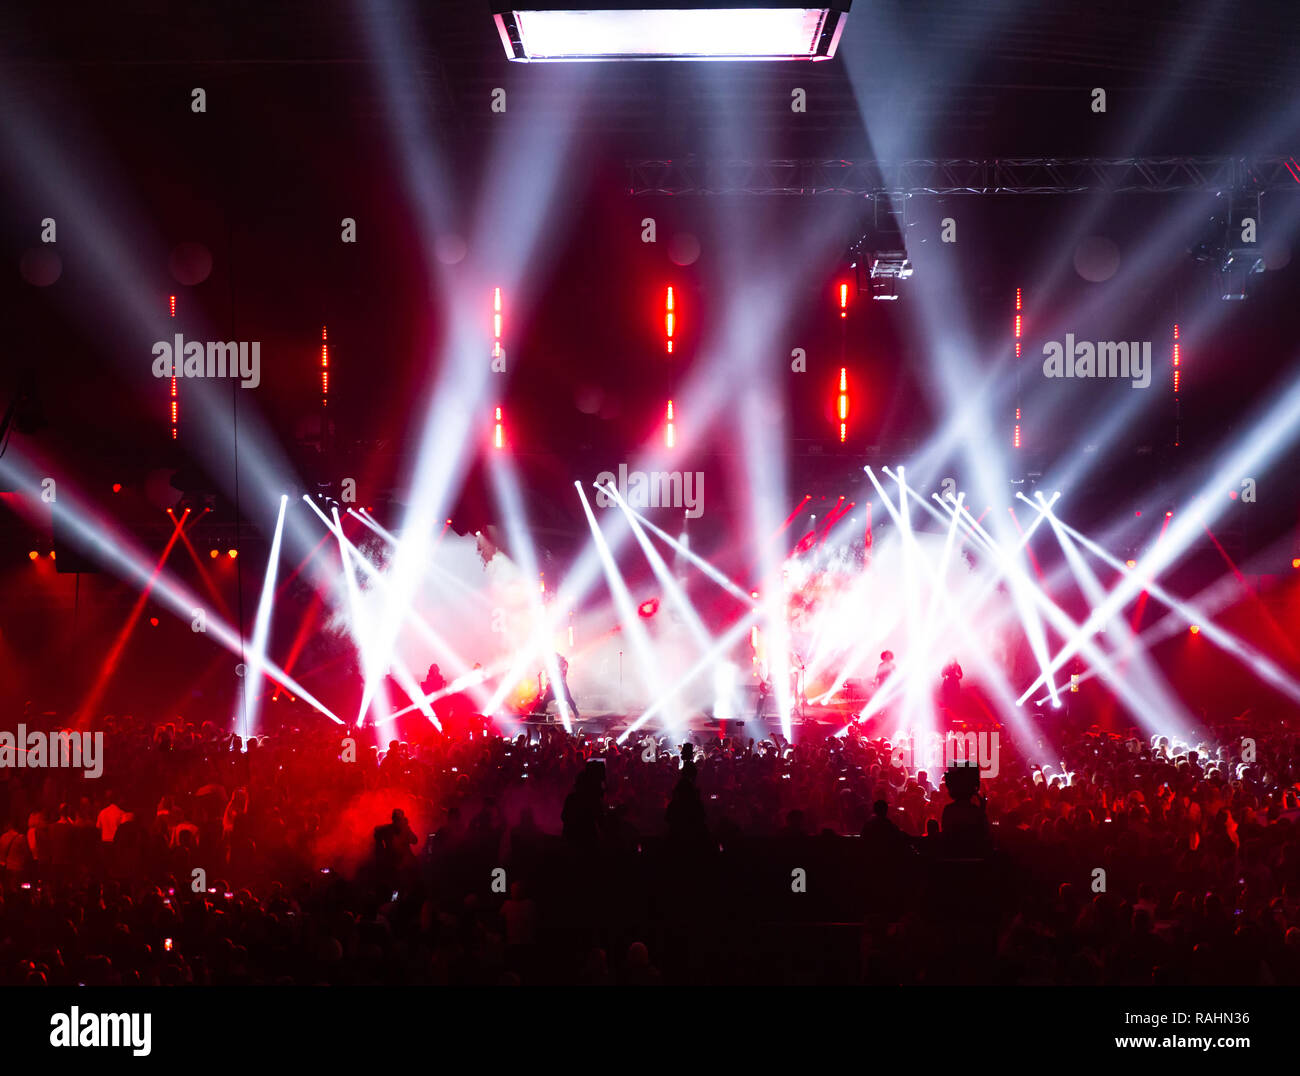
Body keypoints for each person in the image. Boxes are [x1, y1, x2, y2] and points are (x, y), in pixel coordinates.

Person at [536, 654, 579, 721]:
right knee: (546, 700)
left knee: (568, 699)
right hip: (553, 686)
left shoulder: (563, 663)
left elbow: (561, 672)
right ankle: (541, 713)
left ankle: (576, 714)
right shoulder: (553, 664)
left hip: (562, 686)